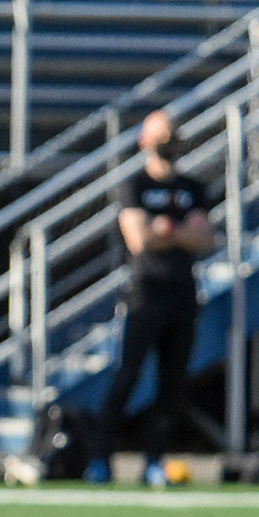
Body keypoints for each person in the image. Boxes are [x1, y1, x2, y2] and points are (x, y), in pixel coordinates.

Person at [90, 111, 212, 486]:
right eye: (161, 133)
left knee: (171, 382)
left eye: (172, 132)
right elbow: (139, 239)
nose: (168, 139)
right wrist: (179, 231)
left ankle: (154, 461)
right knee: (127, 375)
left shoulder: (194, 186)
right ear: (143, 140)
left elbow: (205, 239)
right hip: (145, 293)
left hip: (182, 292)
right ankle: (99, 459)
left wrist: (165, 229)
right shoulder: (135, 185)